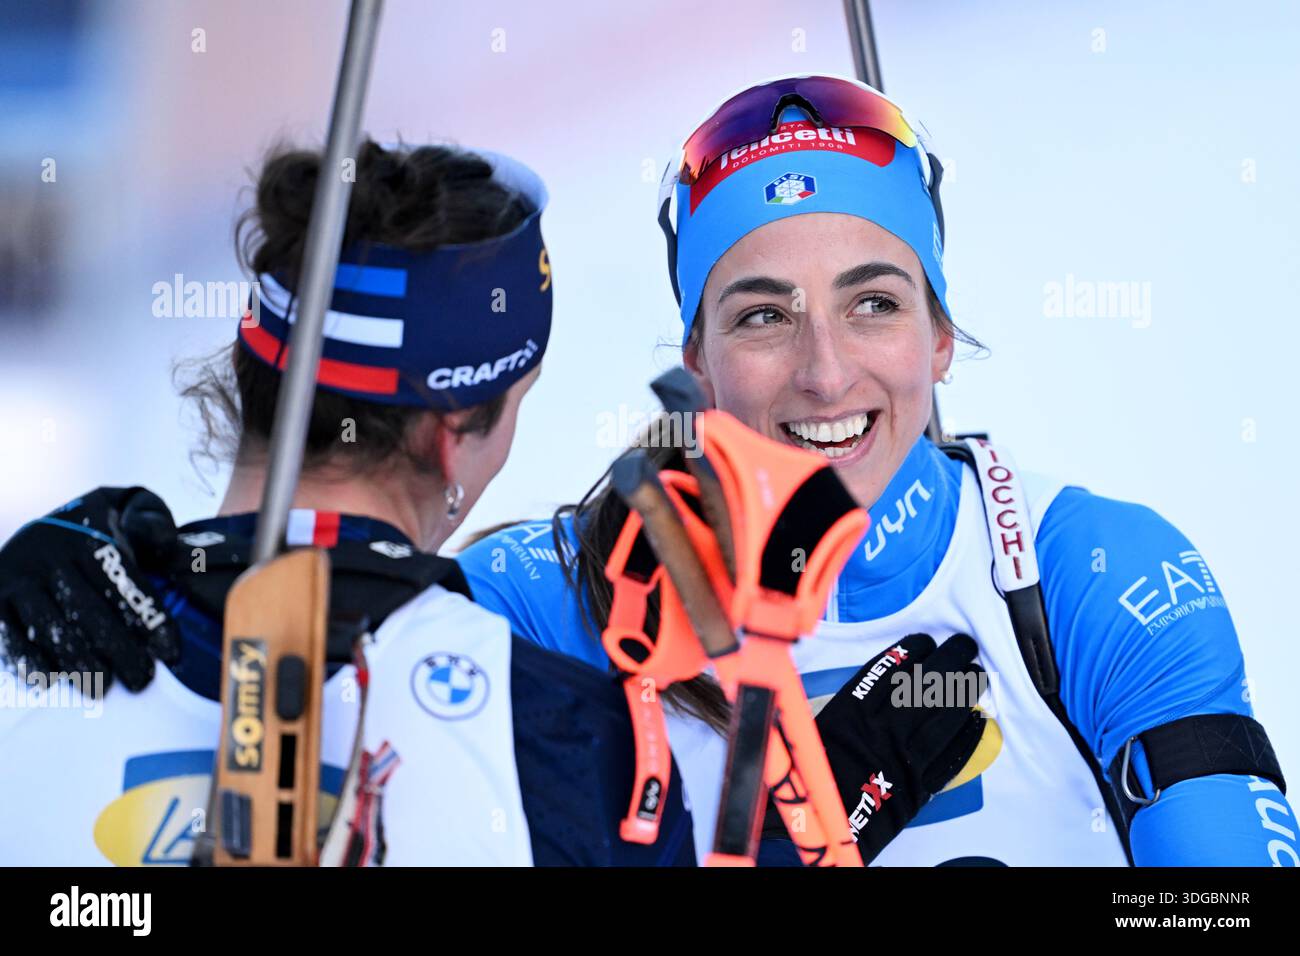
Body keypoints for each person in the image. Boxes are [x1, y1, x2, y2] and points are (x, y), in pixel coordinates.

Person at [454, 74, 1294, 866]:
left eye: (873, 304)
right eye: (762, 316)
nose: (825, 372)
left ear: (938, 337)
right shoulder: (553, 600)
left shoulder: (1085, 572)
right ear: (698, 363)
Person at [0, 140, 694, 867]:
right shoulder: (573, 747)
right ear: (452, 432)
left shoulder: (40, 628)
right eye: (518, 398)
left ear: (247, 373)